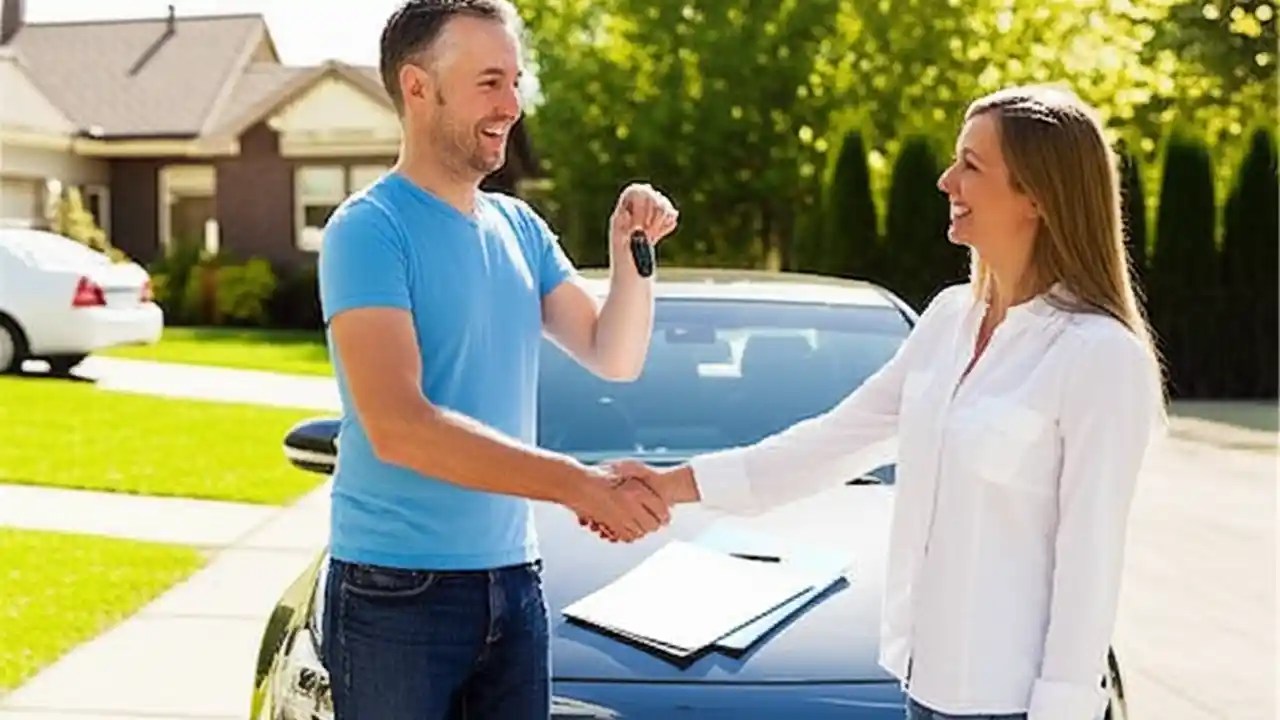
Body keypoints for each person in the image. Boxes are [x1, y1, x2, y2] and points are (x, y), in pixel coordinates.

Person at [608, 84, 1165, 720]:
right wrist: (669, 484)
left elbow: (1090, 562)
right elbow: (831, 443)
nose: (946, 179)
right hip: (920, 689)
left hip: (1011, 703)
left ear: (1037, 196)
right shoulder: (948, 320)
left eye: (971, 166)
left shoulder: (1098, 354)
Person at [315, 1, 679, 718]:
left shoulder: (518, 226)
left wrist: (631, 253)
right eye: (489, 82)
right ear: (418, 88)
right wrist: (579, 486)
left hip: (514, 581)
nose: (512, 106)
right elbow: (399, 425)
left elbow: (615, 354)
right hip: (398, 593)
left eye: (515, 81)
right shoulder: (368, 231)